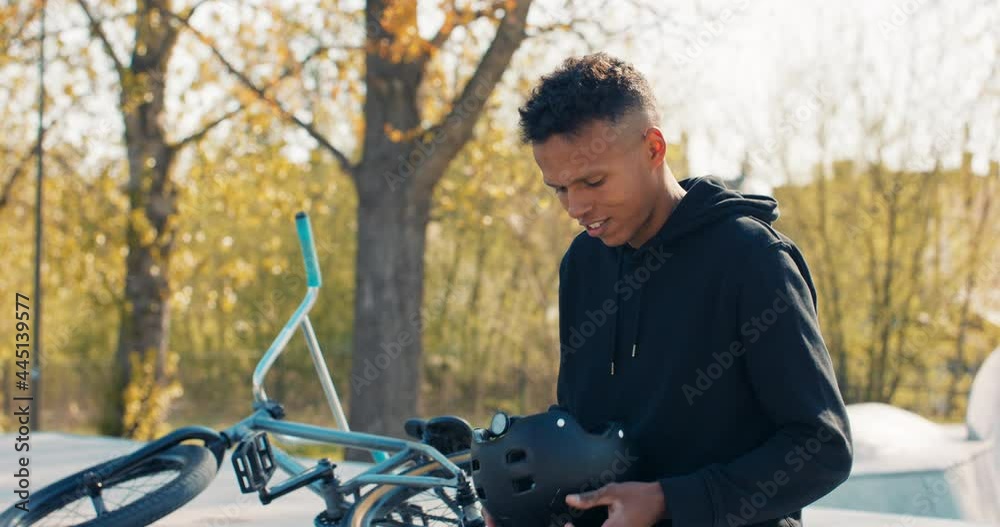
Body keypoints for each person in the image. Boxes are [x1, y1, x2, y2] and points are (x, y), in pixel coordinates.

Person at [484, 53, 853, 527]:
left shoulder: (752, 258)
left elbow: (822, 447)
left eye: (593, 181)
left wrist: (669, 501)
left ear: (653, 148)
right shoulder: (582, 263)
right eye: (558, 188)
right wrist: (527, 504)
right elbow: (583, 426)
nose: (576, 206)